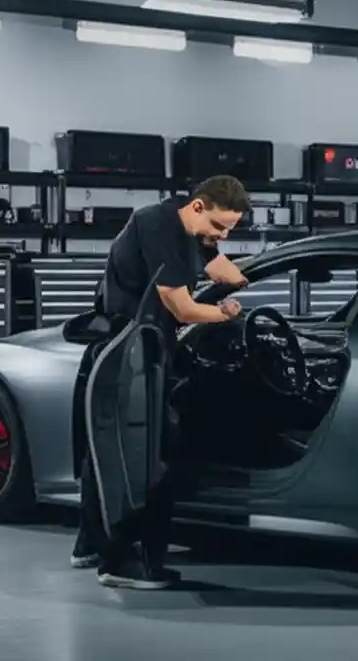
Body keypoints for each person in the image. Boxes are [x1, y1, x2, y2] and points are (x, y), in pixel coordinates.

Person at [72, 174, 252, 590]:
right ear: (199, 207)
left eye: (230, 229)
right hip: (132, 349)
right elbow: (184, 308)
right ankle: (123, 562)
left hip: (143, 347)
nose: (222, 235)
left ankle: (91, 544)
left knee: (107, 450)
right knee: (141, 454)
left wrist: (243, 280)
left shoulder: (188, 224)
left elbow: (218, 264)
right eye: (219, 226)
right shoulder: (158, 225)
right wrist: (227, 314)